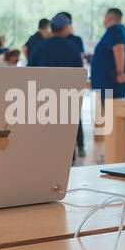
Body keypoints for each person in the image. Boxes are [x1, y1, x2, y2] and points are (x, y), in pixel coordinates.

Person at [28, 12, 87, 155]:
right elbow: (79, 71)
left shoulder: (40, 47)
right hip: (67, 95)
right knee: (68, 128)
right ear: (65, 27)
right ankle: (71, 155)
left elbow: (29, 70)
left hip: (43, 96)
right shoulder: (72, 47)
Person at [91, 7, 125, 98]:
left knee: (109, 112)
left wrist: (120, 73)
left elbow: (119, 49)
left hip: (111, 89)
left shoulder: (114, 30)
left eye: (105, 17)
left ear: (110, 18)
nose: (103, 20)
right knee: (109, 112)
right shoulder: (122, 31)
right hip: (111, 88)